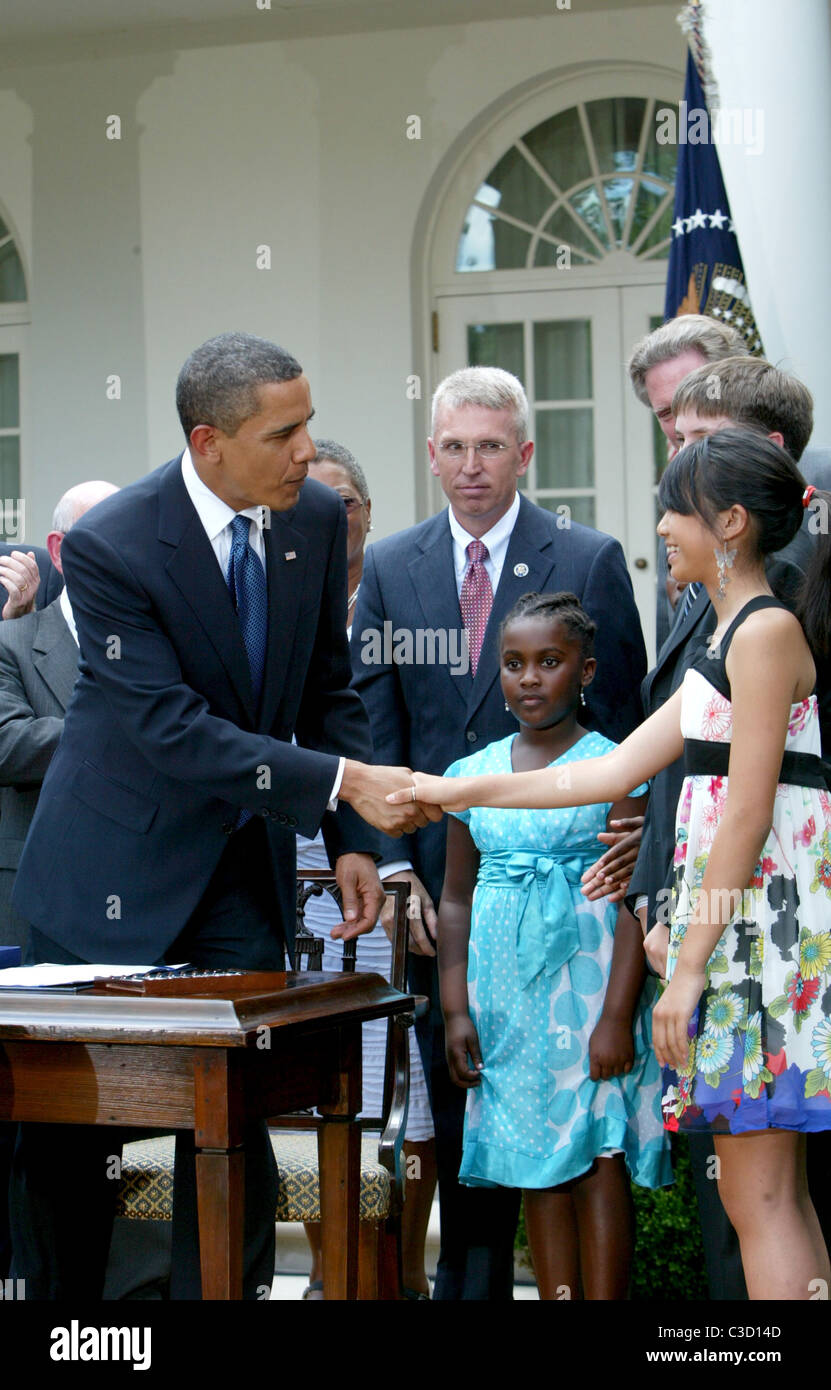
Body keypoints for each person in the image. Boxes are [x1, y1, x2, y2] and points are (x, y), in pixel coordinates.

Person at [7, 331, 436, 1301]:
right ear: (208, 442)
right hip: (103, 882)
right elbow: (172, 729)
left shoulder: (317, 519)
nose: (305, 450)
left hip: (243, 874)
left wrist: (355, 842)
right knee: (78, 1142)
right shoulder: (115, 540)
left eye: (309, 424)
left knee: (237, 1123)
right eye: (283, 432)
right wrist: (340, 783)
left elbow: (331, 688)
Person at [392, 429, 831, 1300]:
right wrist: (437, 791)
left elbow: (746, 815)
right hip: (733, 941)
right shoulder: (729, 630)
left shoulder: (764, 632)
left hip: (756, 947)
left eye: (676, 509)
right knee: (765, 1194)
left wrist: (685, 968)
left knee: (762, 1197)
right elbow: (602, 772)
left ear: (730, 523)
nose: (661, 526)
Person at [352, 365, 647, 1299]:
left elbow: (633, 729)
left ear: (523, 453)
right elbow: (372, 725)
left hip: (579, 918)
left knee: (586, 1138)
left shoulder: (588, 555)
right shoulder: (393, 566)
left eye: (490, 446)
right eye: (453, 446)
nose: (471, 465)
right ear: (430, 454)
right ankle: (469, 1293)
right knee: (467, 1105)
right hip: (450, 898)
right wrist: (397, 866)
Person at [438, 591, 670, 1300]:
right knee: (534, 1159)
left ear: (587, 671)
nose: (530, 678)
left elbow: (635, 897)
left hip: (590, 993)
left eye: (549, 662)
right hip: (506, 1003)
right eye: (513, 664)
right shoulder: (470, 776)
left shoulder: (617, 766)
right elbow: (453, 898)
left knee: (597, 1154)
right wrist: (453, 1011)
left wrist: (613, 1016)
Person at [296, 439, 436, 1301]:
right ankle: (330, 1269)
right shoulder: (269, 606)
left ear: (368, 513)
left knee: (401, 1071)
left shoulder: (398, 606)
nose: (326, 515)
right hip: (303, 873)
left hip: (391, 869)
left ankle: (401, 1271)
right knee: (317, 1070)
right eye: (310, 499)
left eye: (342, 500)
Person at [0, 481, 118, 953]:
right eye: (105, 538)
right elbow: (8, 746)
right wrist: (124, 735)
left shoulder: (160, 644)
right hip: (34, 890)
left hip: (139, 897)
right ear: (60, 551)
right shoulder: (12, 640)